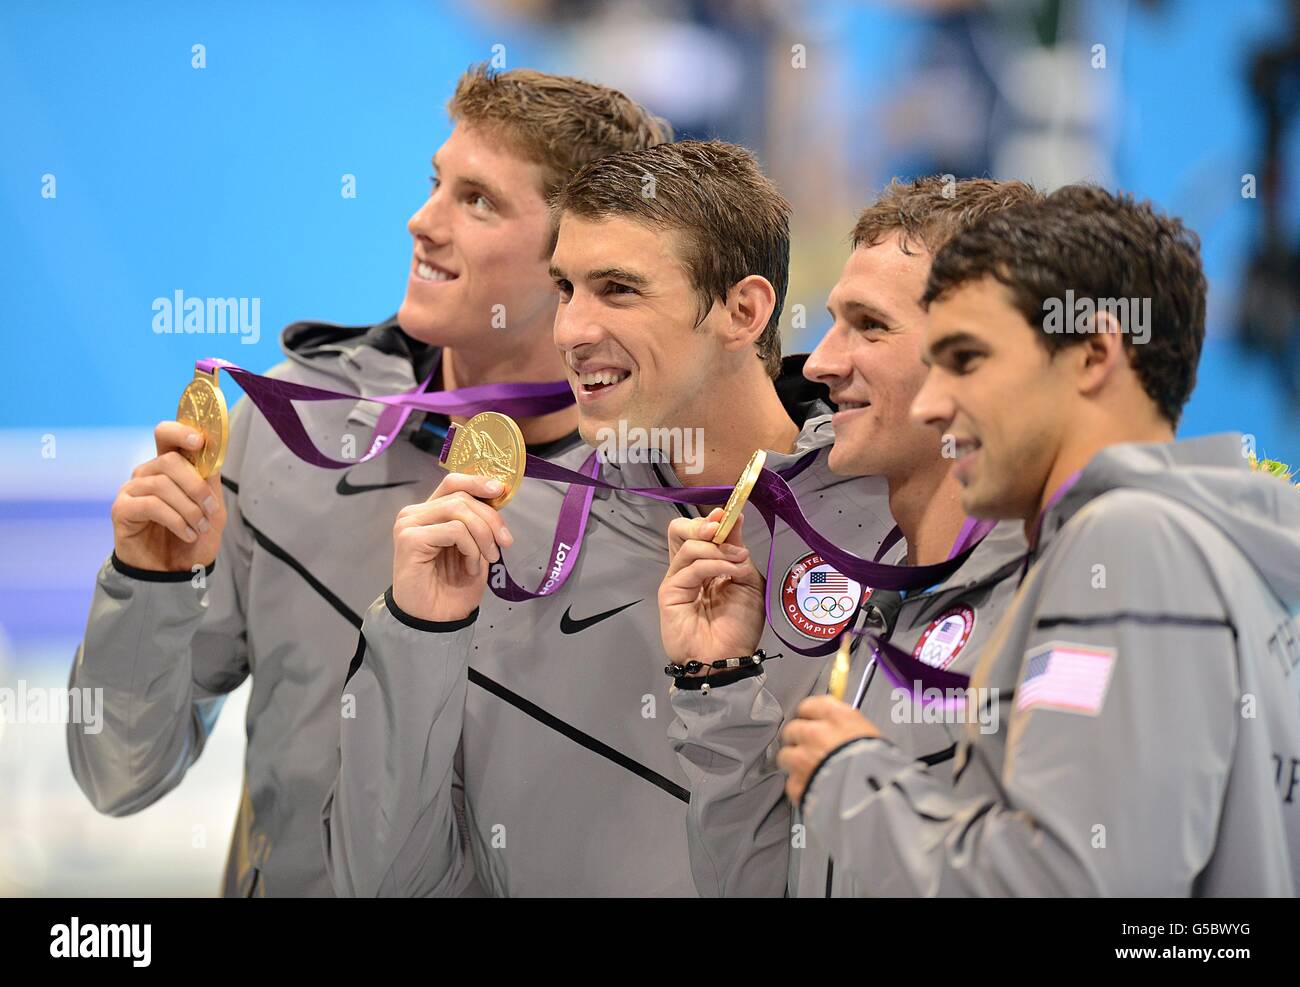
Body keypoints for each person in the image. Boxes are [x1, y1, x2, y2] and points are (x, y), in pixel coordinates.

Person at [67, 65, 671, 897]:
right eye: (436, 183)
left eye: (479, 200)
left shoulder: (657, 522)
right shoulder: (296, 429)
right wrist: (151, 583)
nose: (422, 222)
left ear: (578, 261)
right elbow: (116, 770)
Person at [322, 139, 896, 896]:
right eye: (565, 288)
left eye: (618, 289)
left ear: (744, 310)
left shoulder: (894, 543)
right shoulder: (496, 533)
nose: (571, 330)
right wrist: (416, 634)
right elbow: (380, 883)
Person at [783, 185, 1300, 895]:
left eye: (967, 359)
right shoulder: (1205, 541)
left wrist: (850, 778)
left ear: (1092, 354)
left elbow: (1070, 883)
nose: (934, 403)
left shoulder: (1127, 541)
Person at [657, 176, 1041, 896]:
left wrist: (864, 788)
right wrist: (723, 686)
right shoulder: (887, 605)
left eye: (870, 325)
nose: (823, 363)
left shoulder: (1052, 615)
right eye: (834, 321)